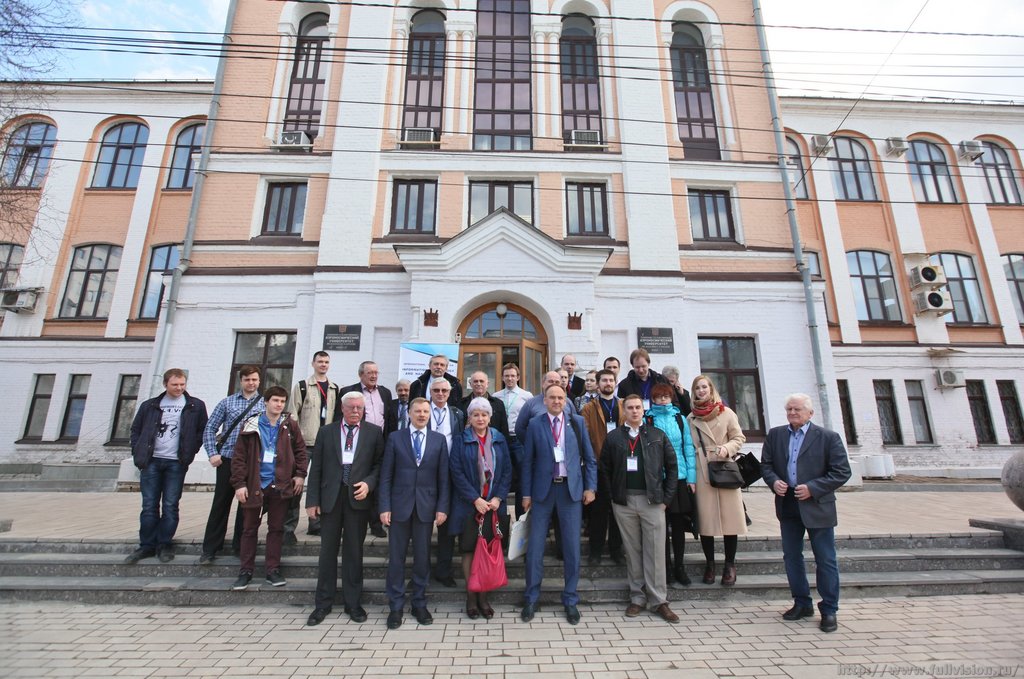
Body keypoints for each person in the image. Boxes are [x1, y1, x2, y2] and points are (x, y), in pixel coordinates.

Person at [761, 393, 852, 633]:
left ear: (810, 413)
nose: (792, 413)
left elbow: (842, 472)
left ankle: (829, 609)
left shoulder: (827, 438)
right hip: (788, 503)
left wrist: (813, 488)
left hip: (817, 505)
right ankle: (801, 603)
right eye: (789, 409)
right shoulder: (776, 435)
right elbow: (766, 465)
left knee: (825, 559)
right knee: (792, 556)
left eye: (797, 409)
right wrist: (774, 482)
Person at [306, 391, 385, 626]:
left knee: (354, 552)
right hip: (331, 498)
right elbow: (316, 467)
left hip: (358, 499)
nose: (355, 411)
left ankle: (353, 603)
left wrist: (369, 484)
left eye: (359, 408)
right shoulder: (326, 432)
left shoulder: (373, 433)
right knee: (327, 552)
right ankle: (323, 604)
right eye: (351, 407)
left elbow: (380, 465)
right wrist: (311, 501)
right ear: (342, 408)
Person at [520, 384, 597, 625]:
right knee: (534, 548)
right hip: (542, 492)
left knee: (572, 548)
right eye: (552, 397)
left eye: (560, 398)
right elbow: (527, 462)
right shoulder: (535, 424)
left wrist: (590, 487)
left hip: (570, 491)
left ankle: (571, 599)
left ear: (566, 400)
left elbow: (590, 458)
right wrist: (525, 493)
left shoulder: (577, 422)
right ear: (544, 400)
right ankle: (531, 598)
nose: (556, 401)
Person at [599, 394, 679, 623]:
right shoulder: (614, 437)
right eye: (630, 408)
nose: (634, 411)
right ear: (623, 411)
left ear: (643, 411)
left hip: (652, 501)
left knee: (655, 551)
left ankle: (658, 600)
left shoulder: (656, 435)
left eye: (638, 407)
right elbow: (604, 468)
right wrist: (613, 495)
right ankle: (637, 598)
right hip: (624, 502)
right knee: (632, 551)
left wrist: (666, 498)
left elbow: (672, 467)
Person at [379, 397, 450, 629]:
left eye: (426, 411)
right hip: (399, 507)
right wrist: (384, 506)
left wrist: (441, 508)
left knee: (422, 558)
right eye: (417, 411)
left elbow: (443, 478)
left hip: (426, 508)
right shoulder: (394, 438)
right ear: (408, 414)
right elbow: (386, 475)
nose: (422, 415)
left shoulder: (439, 441)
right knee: (396, 559)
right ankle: (396, 606)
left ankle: (419, 602)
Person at [125, 368, 208, 564]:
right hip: (151, 460)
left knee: (170, 505)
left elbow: (202, 430)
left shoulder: (194, 405)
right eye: (175, 385)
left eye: (182, 384)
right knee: (149, 505)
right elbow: (136, 430)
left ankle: (164, 544)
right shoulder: (150, 406)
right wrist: (138, 453)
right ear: (165, 385)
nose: (179, 388)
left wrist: (190, 452)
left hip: (176, 462)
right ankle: (146, 545)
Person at [229, 386, 307, 590]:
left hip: (280, 485)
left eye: (282, 401)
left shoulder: (289, 425)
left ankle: (272, 569)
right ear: (266, 402)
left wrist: (299, 475)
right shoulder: (251, 425)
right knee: (249, 529)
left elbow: (300, 451)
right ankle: (246, 570)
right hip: (256, 484)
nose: (279, 405)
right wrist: (239, 484)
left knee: (276, 529)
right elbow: (238, 458)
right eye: (275, 401)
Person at [449, 398, 512, 620]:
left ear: (490, 417)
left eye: (484, 414)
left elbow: (507, 471)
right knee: (469, 550)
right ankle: (471, 596)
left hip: (493, 505)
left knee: (488, 549)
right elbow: (455, 471)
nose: (480, 418)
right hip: (469, 505)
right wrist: (475, 498)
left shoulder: (499, 438)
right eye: (476, 414)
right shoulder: (461, 439)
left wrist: (498, 497)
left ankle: (484, 596)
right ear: (470, 417)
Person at [199, 366, 265, 564]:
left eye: (254, 379)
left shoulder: (264, 404)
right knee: (221, 503)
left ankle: (240, 546)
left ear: (259, 381)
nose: (251, 383)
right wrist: (212, 454)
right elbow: (210, 428)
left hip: (252, 462)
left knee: (246, 506)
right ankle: (210, 548)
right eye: (247, 379)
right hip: (227, 458)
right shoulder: (227, 403)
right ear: (241, 381)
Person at [687, 374, 746, 586]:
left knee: (731, 520)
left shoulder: (726, 412)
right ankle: (710, 564)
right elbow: (688, 447)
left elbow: (738, 437)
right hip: (703, 471)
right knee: (707, 521)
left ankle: (730, 564)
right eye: (697, 388)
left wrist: (727, 448)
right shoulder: (691, 418)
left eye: (704, 387)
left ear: (711, 390)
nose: (701, 391)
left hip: (725, 468)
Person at [645, 383, 696, 586]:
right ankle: (664, 567)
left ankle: (680, 567)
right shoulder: (647, 419)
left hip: (680, 476)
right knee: (660, 526)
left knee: (677, 524)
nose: (663, 400)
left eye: (666, 396)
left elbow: (688, 448)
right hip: (658, 478)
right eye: (659, 397)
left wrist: (691, 477)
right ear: (653, 399)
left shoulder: (679, 419)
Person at [288, 351, 340, 540]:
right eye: (320, 361)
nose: (323, 365)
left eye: (326, 362)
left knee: (322, 485)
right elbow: (292, 415)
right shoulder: (302, 386)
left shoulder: (334, 388)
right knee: (297, 484)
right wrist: (293, 442)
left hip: (326, 445)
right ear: (313, 363)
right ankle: (288, 527)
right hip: (304, 444)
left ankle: (316, 524)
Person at [341, 361, 393, 539]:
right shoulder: (350, 391)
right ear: (360, 374)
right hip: (358, 442)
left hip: (380, 441)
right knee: (359, 479)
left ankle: (376, 523)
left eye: (376, 372)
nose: (373, 376)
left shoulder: (385, 392)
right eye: (370, 372)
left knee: (377, 480)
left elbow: (388, 418)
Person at [579, 369, 625, 566]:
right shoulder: (589, 408)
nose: (608, 383)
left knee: (619, 512)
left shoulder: (623, 405)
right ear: (597, 384)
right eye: (604, 380)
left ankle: (617, 551)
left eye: (611, 380)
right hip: (598, 465)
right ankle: (595, 551)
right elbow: (585, 436)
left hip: (621, 466)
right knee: (598, 512)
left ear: (615, 382)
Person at [426, 377, 466, 588]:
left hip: (450, 473)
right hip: (425, 474)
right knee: (423, 524)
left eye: (444, 391)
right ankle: (421, 571)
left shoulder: (457, 414)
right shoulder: (422, 411)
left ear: (450, 393)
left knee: (446, 526)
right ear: (430, 392)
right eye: (436, 390)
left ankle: (444, 570)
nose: (440, 394)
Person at [492, 363, 532, 519]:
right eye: (506, 375)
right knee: (500, 475)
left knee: (522, 476)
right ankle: (499, 516)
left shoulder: (526, 395)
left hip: (518, 439)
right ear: (502, 377)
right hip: (500, 439)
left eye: (512, 375)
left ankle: (521, 517)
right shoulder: (495, 396)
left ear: (518, 377)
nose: (509, 378)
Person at [514, 371, 575, 440]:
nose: (554, 384)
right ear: (543, 384)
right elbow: (520, 428)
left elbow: (575, 425)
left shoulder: (568, 402)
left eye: (557, 382)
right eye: (550, 381)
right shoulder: (531, 404)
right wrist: (533, 444)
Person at [459, 371, 509, 438]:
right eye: (475, 381)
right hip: (467, 443)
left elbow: (504, 429)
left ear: (487, 384)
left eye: (481, 381)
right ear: (470, 384)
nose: (479, 384)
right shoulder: (461, 403)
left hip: (492, 443)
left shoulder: (498, 404)